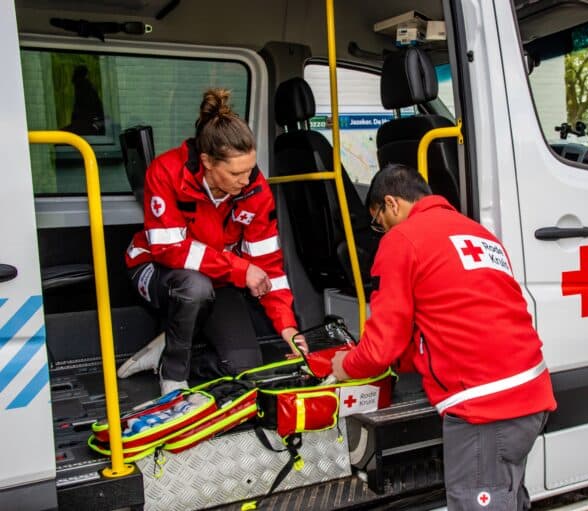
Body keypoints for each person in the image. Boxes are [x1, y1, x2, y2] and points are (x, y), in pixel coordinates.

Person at [331, 164, 556, 510]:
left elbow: (381, 346)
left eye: (378, 221)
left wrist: (346, 365)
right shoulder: (476, 232)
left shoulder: (402, 240)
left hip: (484, 408)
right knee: (509, 498)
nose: (381, 230)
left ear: (391, 203)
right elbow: (454, 317)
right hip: (531, 394)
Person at [118, 88, 307, 395]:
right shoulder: (167, 171)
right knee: (194, 287)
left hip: (219, 279)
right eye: (236, 173)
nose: (246, 180)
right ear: (207, 161)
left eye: (250, 170)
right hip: (156, 270)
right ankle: (173, 375)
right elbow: (170, 250)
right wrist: (240, 269)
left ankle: (169, 349)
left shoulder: (254, 189)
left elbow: (267, 264)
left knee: (245, 368)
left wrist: (288, 327)